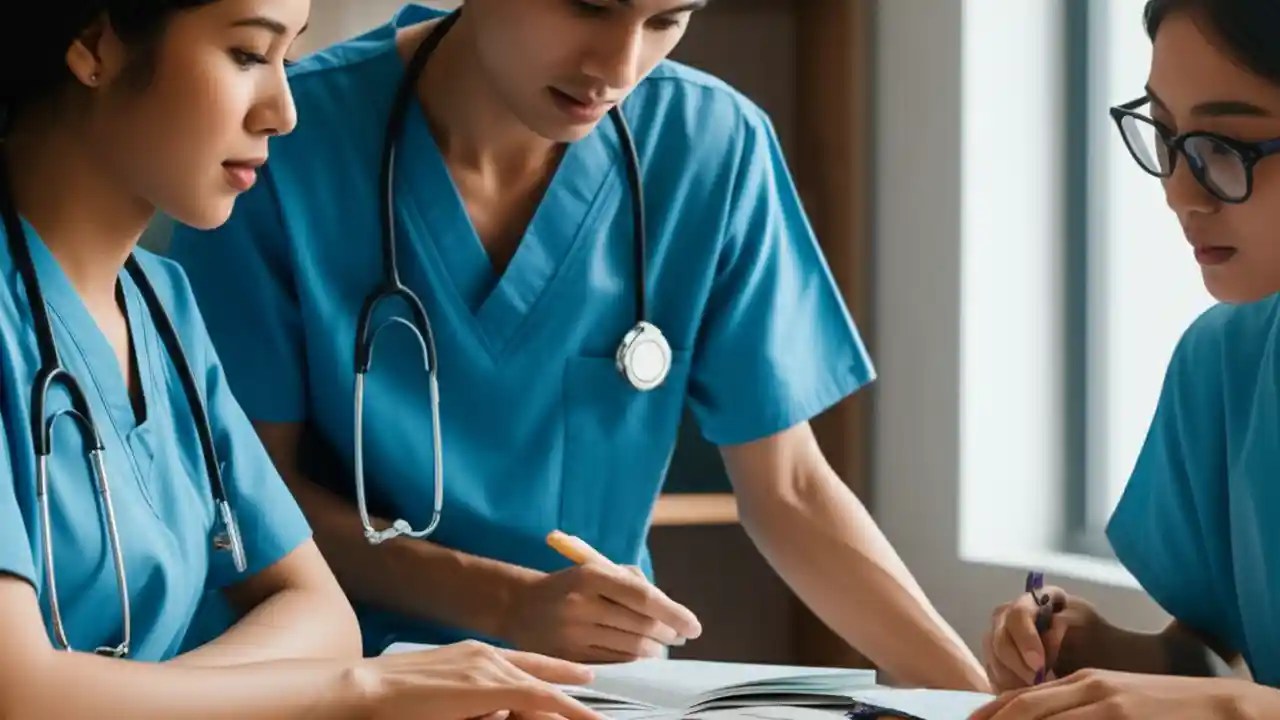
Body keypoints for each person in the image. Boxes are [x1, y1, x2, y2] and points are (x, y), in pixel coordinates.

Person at [168, 0, 989, 691]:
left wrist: (977, 702)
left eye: (666, 18)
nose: (619, 64)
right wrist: (506, 605)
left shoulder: (711, 146)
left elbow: (792, 491)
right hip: (342, 673)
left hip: (600, 689)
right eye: (588, 5)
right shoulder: (277, 144)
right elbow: (247, 502)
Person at [0, 1, 607, 717]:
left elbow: (322, 617)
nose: (282, 113)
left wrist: (128, 701)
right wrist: (364, 690)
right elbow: (21, 690)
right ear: (93, 42)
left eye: (288, 60)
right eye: (249, 56)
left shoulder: (161, 302)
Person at [975, 0, 1280, 717]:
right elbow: (1213, 656)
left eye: (1226, 147)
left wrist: (1236, 712)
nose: (1179, 193)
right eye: (1168, 137)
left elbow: (1239, 700)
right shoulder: (1223, 365)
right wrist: (1103, 652)